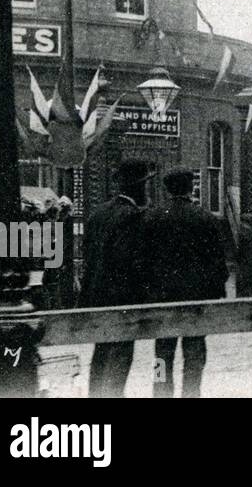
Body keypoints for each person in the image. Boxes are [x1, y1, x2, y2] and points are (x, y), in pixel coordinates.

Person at [139, 169, 228, 398]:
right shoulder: (206, 219)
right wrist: (214, 293)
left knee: (161, 355)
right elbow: (219, 265)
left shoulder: (151, 217)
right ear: (191, 188)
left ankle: (160, 394)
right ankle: (192, 394)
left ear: (167, 189)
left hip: (162, 300)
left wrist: (149, 293)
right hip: (196, 301)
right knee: (195, 354)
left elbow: (142, 262)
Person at [83, 160, 152, 397]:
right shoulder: (133, 217)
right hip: (121, 298)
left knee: (100, 352)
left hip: (95, 296)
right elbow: (129, 263)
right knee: (121, 355)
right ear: (139, 187)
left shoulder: (98, 213)